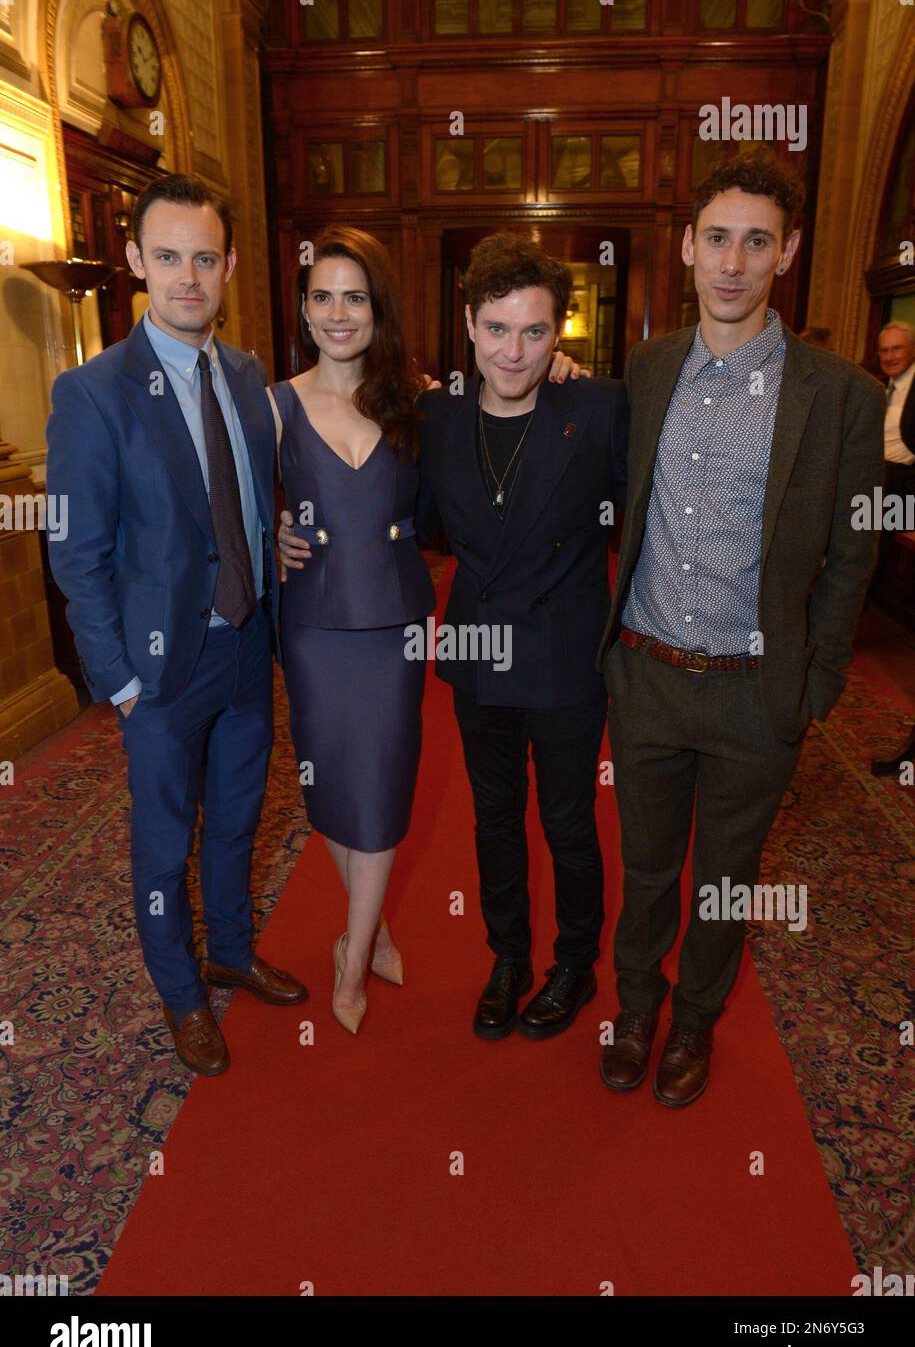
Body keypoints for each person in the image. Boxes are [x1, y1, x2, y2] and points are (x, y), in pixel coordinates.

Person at [281, 234, 627, 1041]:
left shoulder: (600, 406)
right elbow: (379, 507)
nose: (514, 351)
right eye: (498, 329)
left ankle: (573, 965)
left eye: (535, 333)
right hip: (476, 653)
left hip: (567, 654)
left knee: (570, 824)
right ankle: (506, 958)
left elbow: (640, 522)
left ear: (559, 335)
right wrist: (277, 530)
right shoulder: (431, 413)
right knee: (495, 819)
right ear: (470, 325)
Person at [596, 148, 884, 1107]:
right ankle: (633, 1008)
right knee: (643, 873)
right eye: (715, 237)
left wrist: (817, 686)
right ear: (686, 246)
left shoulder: (839, 394)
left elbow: (851, 556)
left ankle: (691, 1024)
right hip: (644, 674)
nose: (731, 261)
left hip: (757, 690)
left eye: (754, 242)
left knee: (724, 879)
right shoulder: (644, 368)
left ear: (785, 252)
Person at [46, 174, 308, 1078]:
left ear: (229, 265)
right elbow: (76, 552)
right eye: (168, 258)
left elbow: (230, 506)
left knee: (239, 819)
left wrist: (266, 546)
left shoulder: (243, 376)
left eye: (204, 258)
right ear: (134, 263)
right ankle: (182, 991)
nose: (188, 277)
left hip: (244, 648)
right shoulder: (92, 392)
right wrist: (116, 680)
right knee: (165, 844)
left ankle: (231, 949)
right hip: (157, 673)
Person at [268, 228, 436, 1034]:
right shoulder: (272, 404)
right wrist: (267, 529)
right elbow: (223, 502)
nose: (339, 313)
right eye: (323, 296)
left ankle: (352, 951)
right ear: (304, 311)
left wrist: (566, 375)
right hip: (311, 626)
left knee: (384, 780)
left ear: (378, 309)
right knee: (328, 783)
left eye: (355, 297)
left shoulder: (419, 400)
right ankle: (372, 928)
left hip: (394, 623)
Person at [870, 319, 915, 777]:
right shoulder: (882, 387)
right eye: (884, 350)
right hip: (881, 477)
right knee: (867, 544)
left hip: (906, 483)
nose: (889, 357)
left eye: (896, 349)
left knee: (882, 549)